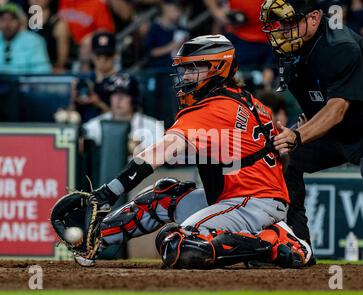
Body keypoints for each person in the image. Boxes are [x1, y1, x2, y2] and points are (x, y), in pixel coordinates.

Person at [51, 35, 312, 269]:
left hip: (250, 202)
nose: (185, 75)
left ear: (218, 67)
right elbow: (282, 157)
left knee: (177, 243)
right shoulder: (248, 100)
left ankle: (275, 241)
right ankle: (94, 239)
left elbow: (162, 150)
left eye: (193, 68)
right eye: (185, 68)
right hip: (241, 199)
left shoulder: (214, 106)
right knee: (163, 195)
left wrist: (107, 193)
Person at [260, 0, 363, 246]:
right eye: (279, 24)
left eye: (289, 22)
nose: (282, 31)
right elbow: (315, 95)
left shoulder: (340, 46)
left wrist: (298, 135)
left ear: (313, 18)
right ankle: (295, 243)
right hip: (335, 133)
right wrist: (305, 126)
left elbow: (337, 108)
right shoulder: (291, 47)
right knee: (280, 157)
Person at [83, 72, 165, 153]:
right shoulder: (96, 124)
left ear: (134, 100)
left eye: (124, 95)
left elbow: (163, 155)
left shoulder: (153, 127)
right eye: (115, 94)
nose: (118, 99)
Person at [204, 0, 275, 89]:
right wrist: (217, 12)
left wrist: (269, 67)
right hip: (236, 36)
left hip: (265, 41)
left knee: (266, 80)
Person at [68, 31, 118, 123]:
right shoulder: (83, 79)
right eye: (98, 55)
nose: (102, 60)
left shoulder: (123, 81)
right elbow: (71, 117)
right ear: (92, 55)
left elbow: (124, 117)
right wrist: (73, 99)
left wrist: (98, 103)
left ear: (115, 55)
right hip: (84, 130)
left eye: (107, 55)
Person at [0, 3, 51, 74]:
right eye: (3, 19)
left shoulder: (34, 41)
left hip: (27, 84)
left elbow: (42, 72)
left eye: (12, 19)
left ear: (20, 22)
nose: (7, 24)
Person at [28, 0, 70, 74]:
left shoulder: (59, 25)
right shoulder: (22, 23)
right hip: (26, 71)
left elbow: (62, 61)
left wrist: (50, 70)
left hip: (50, 73)